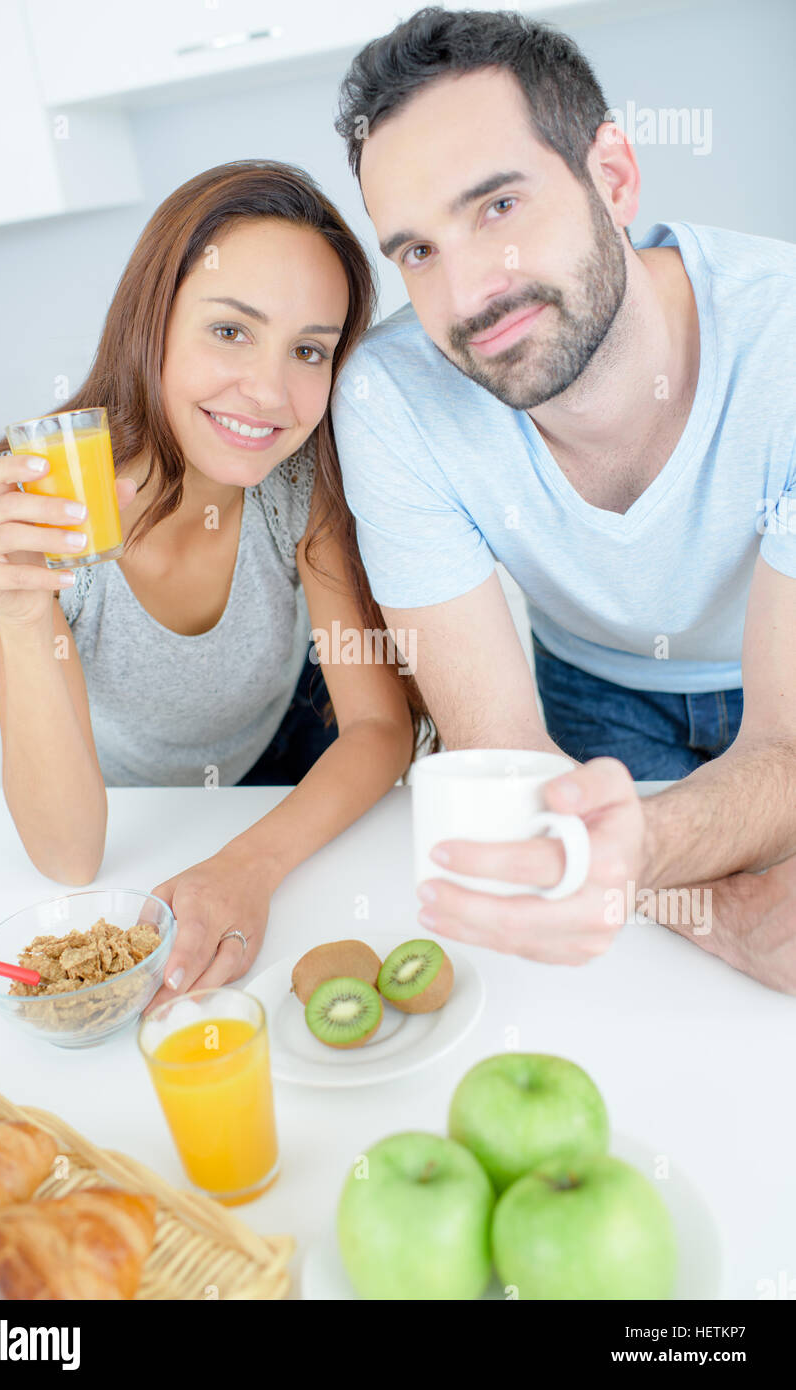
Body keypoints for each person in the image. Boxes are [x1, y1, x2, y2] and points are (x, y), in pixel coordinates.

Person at [329, 8, 796, 992]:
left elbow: (782, 743)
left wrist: (642, 863)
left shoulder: (784, 339)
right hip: (592, 689)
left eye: (498, 206)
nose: (465, 298)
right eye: (415, 251)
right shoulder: (389, 396)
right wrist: (686, 890)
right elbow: (502, 751)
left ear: (614, 178)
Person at [0, 160, 431, 1005]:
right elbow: (70, 857)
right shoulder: (44, 501)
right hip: (135, 811)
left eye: (309, 350)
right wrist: (21, 618)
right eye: (231, 331)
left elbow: (375, 729)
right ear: (154, 319)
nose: (269, 391)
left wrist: (246, 866)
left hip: (290, 769)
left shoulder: (299, 482)